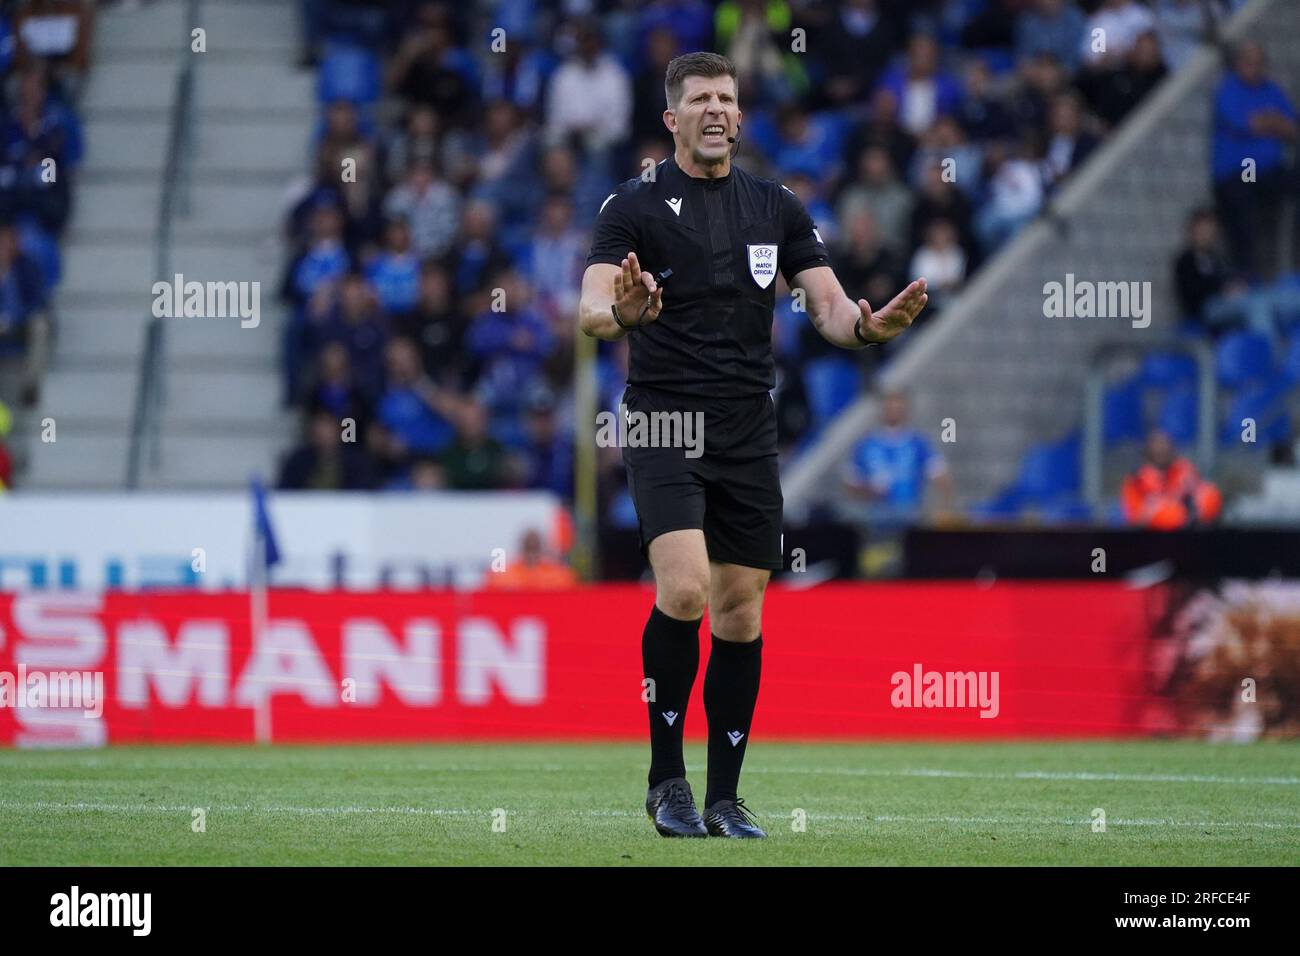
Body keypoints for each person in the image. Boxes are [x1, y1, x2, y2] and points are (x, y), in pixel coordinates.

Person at [578, 52, 926, 839]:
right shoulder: (630, 205)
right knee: (689, 589)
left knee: (741, 611)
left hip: (746, 426)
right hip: (665, 419)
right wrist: (627, 314)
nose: (713, 110)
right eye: (697, 98)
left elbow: (830, 306)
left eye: (725, 99)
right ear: (672, 119)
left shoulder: (776, 207)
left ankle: (724, 797)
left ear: (739, 116)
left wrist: (868, 329)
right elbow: (592, 310)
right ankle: (666, 778)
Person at [1121, 430, 1222, 529]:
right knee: (1169, 515)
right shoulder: (1137, 479)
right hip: (1152, 531)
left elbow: (1198, 494)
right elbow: (1137, 516)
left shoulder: (1184, 468)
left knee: (1210, 494)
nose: (1161, 449)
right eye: (1157, 446)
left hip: (1189, 523)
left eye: (1164, 445)